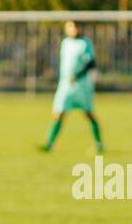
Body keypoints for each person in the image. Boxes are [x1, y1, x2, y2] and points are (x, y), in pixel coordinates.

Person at [40, 21, 103, 154]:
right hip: (65, 85)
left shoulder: (85, 43)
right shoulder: (65, 43)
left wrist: (78, 75)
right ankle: (49, 144)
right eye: (69, 27)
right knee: (59, 113)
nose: (72, 30)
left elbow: (91, 63)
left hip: (82, 85)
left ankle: (99, 144)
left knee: (89, 114)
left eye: (74, 27)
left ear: (79, 28)